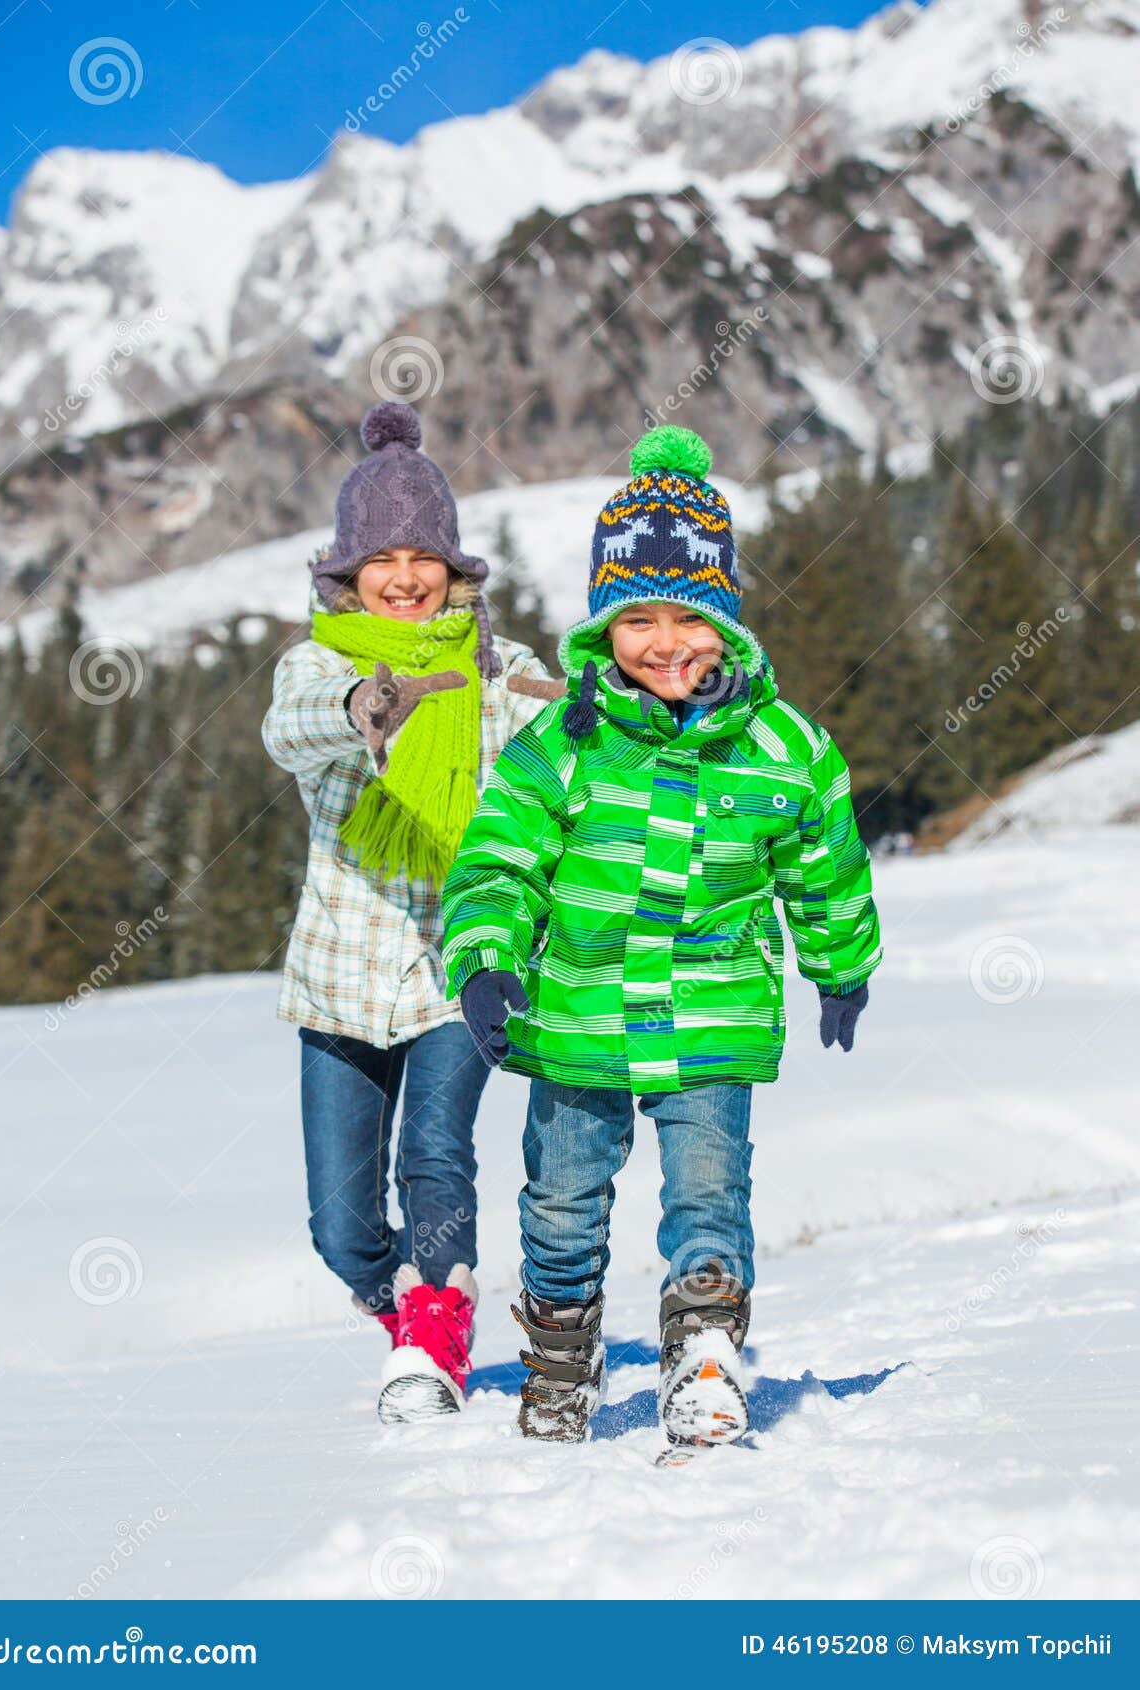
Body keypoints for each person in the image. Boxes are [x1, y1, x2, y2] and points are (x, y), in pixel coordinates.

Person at [440, 426, 882, 1455]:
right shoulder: (562, 743)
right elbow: (500, 860)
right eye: (637, 615)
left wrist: (843, 964)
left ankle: (705, 1358)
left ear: (727, 616)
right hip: (578, 1013)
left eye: (691, 613)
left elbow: (825, 864)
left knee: (709, 1193)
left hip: (713, 1011)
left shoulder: (786, 750)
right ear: (604, 623)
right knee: (559, 1200)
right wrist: (487, 958)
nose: (665, 640)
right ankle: (560, 1354)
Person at [261, 400, 550, 1424]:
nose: (404, 574)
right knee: (340, 1224)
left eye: (422, 553)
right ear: (346, 574)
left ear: (451, 567)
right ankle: (413, 1320)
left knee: (435, 1150)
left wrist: (601, 709)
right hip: (337, 978)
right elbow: (288, 726)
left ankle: (436, 1318)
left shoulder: (491, 665)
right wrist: (360, 710)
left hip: (453, 966)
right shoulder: (321, 665)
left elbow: (559, 727)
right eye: (379, 556)